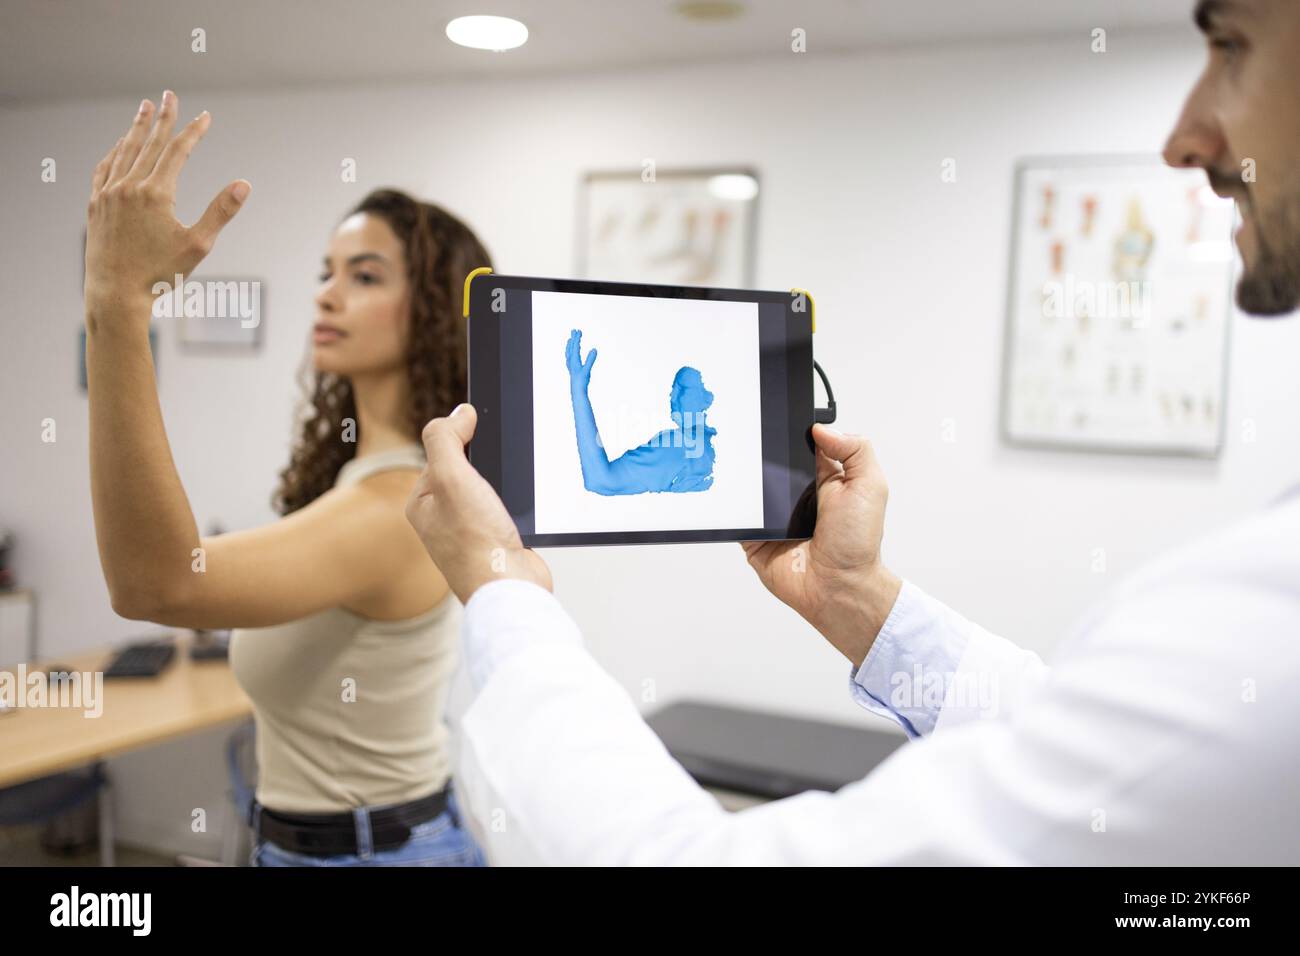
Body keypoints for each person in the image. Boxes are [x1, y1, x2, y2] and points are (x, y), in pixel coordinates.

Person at [404, 0, 1300, 864]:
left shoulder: (1267, 621)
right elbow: (1070, 732)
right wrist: (855, 594)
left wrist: (502, 590)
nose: (1184, 136)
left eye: (1230, 47)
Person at [83, 91, 489, 866]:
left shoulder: (398, 506)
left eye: (364, 276)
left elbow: (154, 583)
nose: (328, 292)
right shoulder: (367, 481)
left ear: (434, 306)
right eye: (327, 271)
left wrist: (116, 303)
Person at [566, 329, 717, 494]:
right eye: (673, 389)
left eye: (683, 389)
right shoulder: (716, 447)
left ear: (708, 398)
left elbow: (600, 480)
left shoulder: (678, 446)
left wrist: (578, 391)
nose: (672, 396)